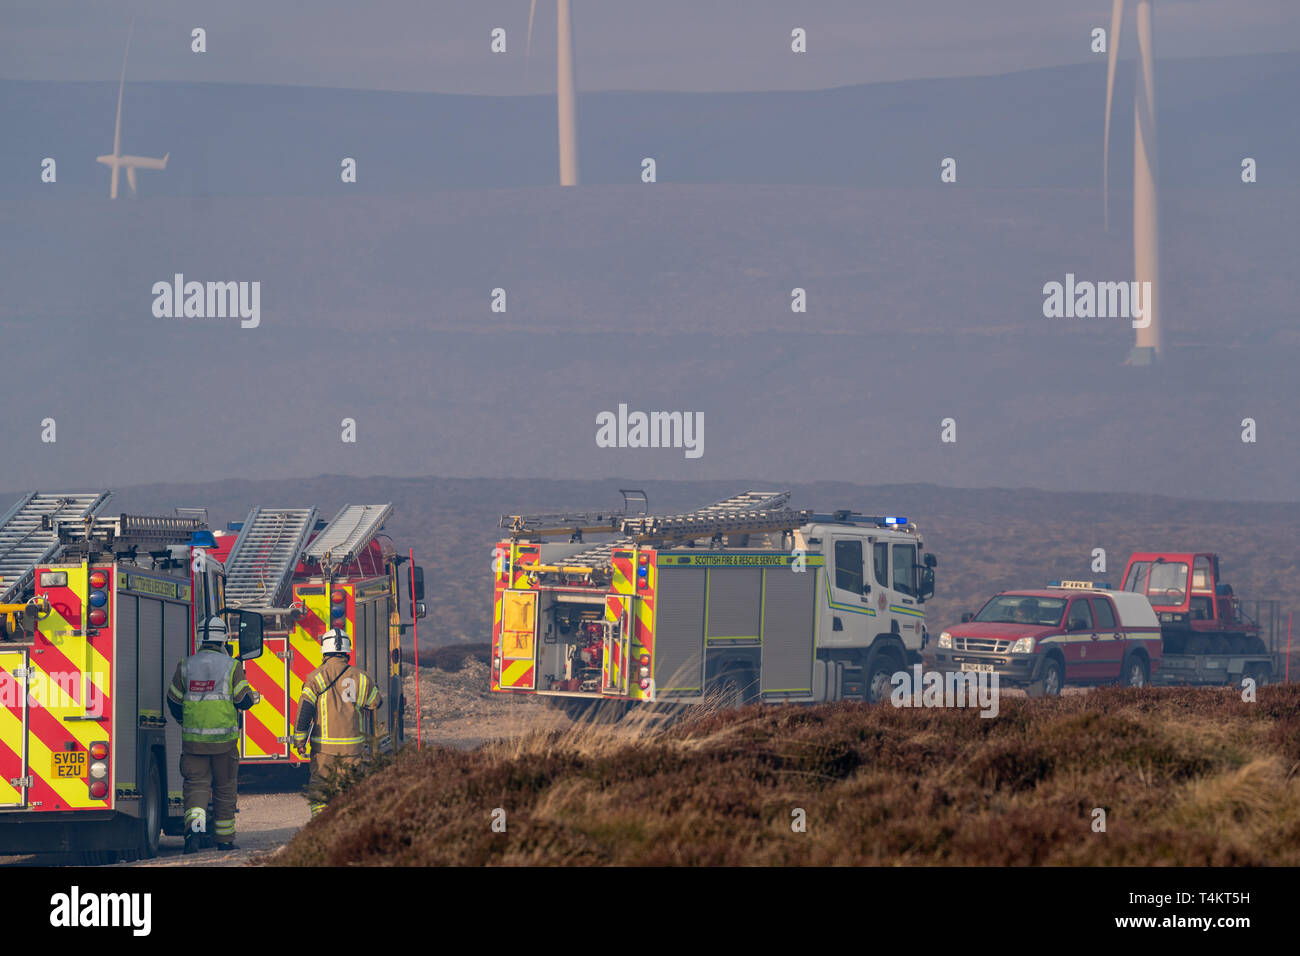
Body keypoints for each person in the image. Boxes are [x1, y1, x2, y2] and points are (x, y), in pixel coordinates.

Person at [166, 617, 258, 853]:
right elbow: (243, 700)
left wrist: (185, 720)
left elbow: (173, 700)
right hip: (224, 745)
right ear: (223, 638)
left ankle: (193, 837)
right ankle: (225, 841)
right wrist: (252, 697)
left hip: (194, 744)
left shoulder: (186, 665)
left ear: (200, 638)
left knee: (196, 789)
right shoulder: (231, 666)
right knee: (225, 789)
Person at [293, 628, 382, 818]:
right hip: (353, 749)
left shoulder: (315, 677)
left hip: (324, 750)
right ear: (347, 652)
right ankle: (348, 829)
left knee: (321, 792)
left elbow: (305, 710)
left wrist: (299, 741)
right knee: (352, 792)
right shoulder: (362, 677)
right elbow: (376, 703)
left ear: (324, 652)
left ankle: (321, 825)